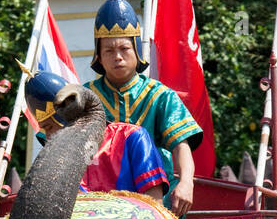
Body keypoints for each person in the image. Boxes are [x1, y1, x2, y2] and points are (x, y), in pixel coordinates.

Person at [85, 0, 203, 217]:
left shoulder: (160, 96)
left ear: (136, 50)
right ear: (98, 55)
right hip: (98, 203)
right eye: (109, 50)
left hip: (156, 201)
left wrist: (187, 182)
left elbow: (181, 144)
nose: (117, 56)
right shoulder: (85, 98)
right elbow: (59, 142)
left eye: (124, 48)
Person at [25, 70, 170, 202]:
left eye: (49, 127)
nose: (49, 136)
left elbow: (154, 205)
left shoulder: (132, 137)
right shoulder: (56, 158)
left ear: (66, 117)